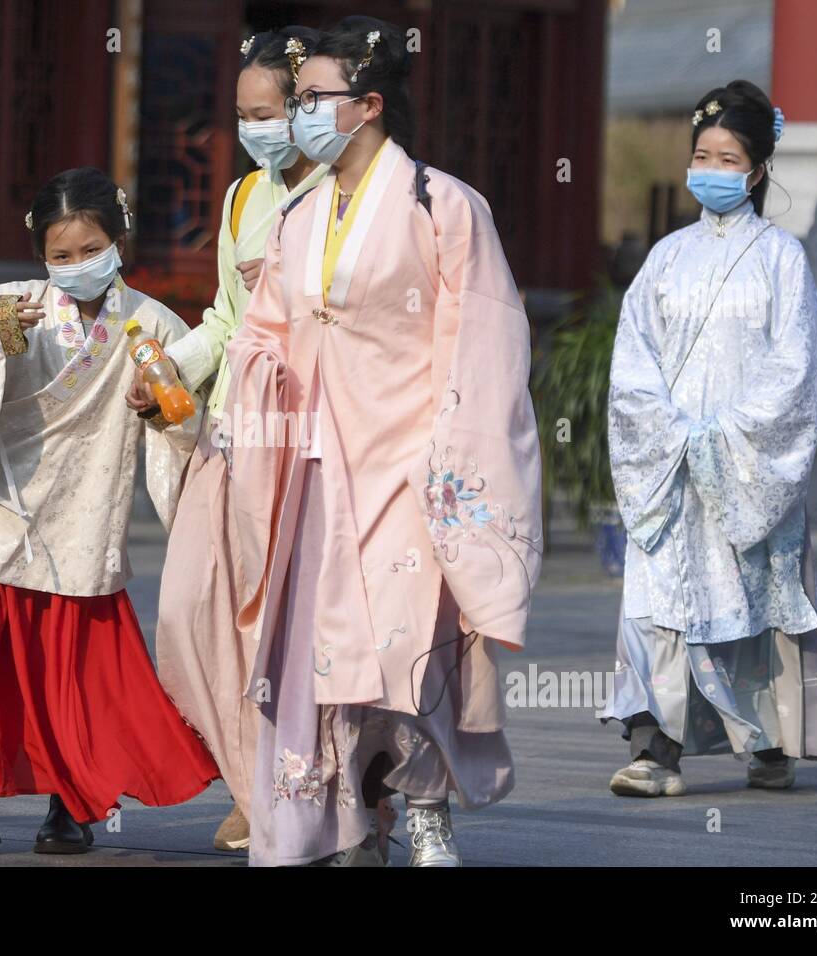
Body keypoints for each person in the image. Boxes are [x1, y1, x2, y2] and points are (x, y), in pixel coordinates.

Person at [223, 16, 543, 867]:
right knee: (326, 650)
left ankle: (429, 808)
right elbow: (263, 334)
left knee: (408, 643)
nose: (297, 115)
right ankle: (341, 815)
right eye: (295, 101)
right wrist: (256, 384)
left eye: (312, 99)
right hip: (318, 466)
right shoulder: (293, 218)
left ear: (367, 106)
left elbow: (484, 340)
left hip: (411, 463)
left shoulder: (443, 206)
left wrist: (451, 454)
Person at [0, 167, 220, 854]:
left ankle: (70, 805)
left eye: (89, 250)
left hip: (82, 517)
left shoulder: (154, 324)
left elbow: (192, 421)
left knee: (67, 676)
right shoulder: (10, 306)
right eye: (61, 255)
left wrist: (165, 406)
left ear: (118, 240)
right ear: (40, 256)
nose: (76, 265)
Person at [599, 80, 817, 796]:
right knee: (657, 598)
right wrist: (668, 434)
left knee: (749, 597)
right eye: (702, 154)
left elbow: (796, 366)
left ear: (757, 171)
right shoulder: (665, 257)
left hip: (744, 463)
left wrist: (725, 439)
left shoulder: (783, 259)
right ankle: (655, 748)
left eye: (729, 159)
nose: (712, 169)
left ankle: (768, 743)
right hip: (666, 465)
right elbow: (632, 359)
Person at [146, 26, 329, 854]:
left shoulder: (345, 192)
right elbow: (227, 316)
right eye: (243, 114)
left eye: (271, 113)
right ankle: (248, 774)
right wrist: (169, 369)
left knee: (290, 624)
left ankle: (296, 788)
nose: (257, 129)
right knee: (192, 605)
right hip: (235, 430)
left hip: (310, 431)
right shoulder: (241, 197)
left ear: (307, 109)